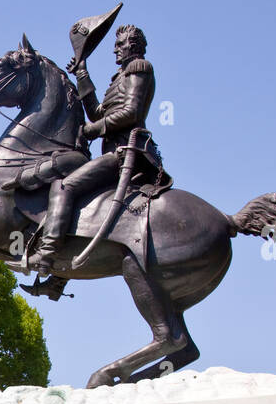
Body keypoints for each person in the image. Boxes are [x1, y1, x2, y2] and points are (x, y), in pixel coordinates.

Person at [26, 24, 169, 274]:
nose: (115, 50)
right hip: (116, 153)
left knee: (64, 186)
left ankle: (47, 255)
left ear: (133, 46)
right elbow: (98, 112)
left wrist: (94, 129)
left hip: (126, 153)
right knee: (83, 201)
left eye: (120, 44)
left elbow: (131, 112)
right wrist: (82, 74)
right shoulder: (120, 78)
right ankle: (60, 277)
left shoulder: (139, 67)